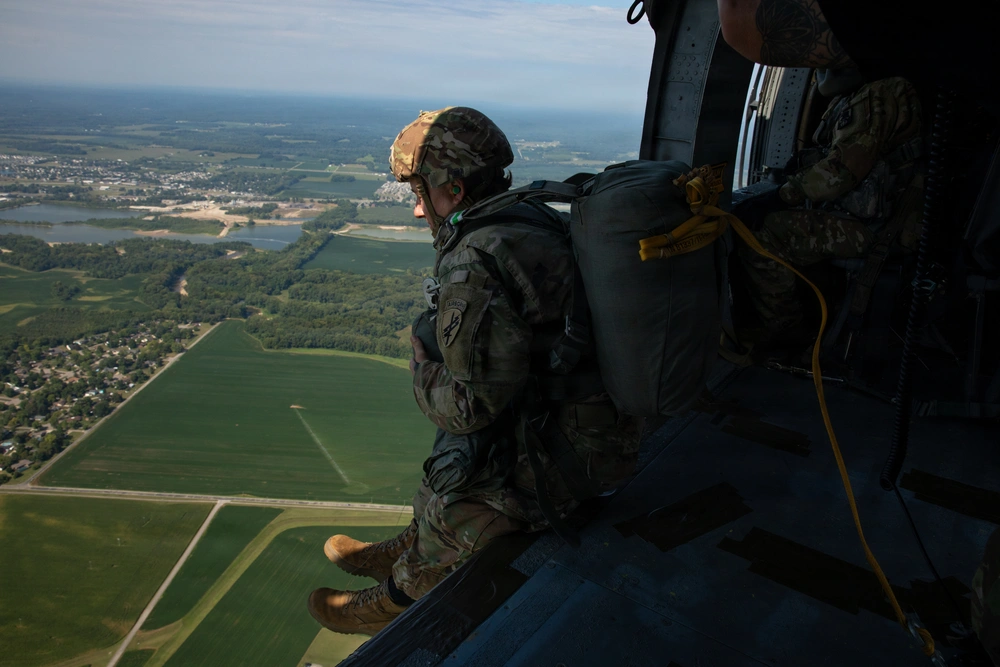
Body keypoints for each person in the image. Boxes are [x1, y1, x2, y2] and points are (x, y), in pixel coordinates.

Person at [306, 107, 641, 636]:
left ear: (454, 191)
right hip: (586, 415)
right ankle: (405, 546)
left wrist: (422, 373)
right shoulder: (529, 216)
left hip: (580, 450)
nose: (419, 212)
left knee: (456, 490)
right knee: (448, 456)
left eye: (421, 194)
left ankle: (392, 599)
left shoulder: (475, 259)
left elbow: (469, 408)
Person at [738, 71, 923, 346]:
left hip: (884, 226)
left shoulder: (876, 95)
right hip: (868, 214)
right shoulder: (854, 95)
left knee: (765, 232)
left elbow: (839, 173)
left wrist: (783, 195)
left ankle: (784, 335)